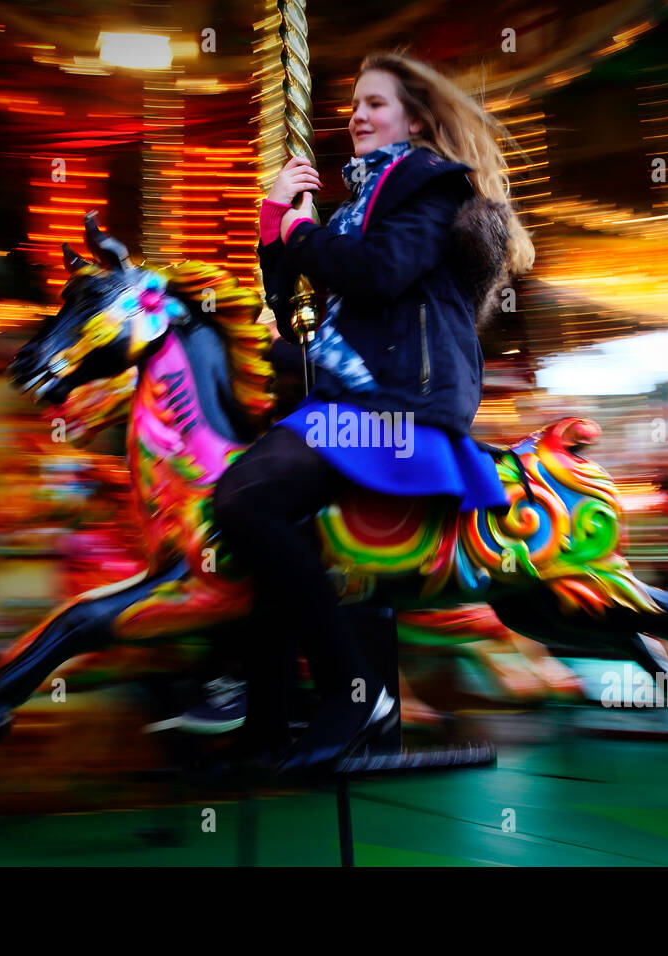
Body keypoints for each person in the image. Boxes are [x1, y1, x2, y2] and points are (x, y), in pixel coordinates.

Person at [212, 50, 535, 773]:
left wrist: (299, 234)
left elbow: (379, 273)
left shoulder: (429, 184)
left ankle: (353, 694)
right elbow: (300, 306)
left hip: (400, 402)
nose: (357, 114)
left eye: (375, 103)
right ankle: (265, 722)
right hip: (354, 398)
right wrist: (276, 231)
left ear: (415, 119)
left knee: (244, 497)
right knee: (255, 519)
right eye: (354, 104)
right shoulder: (362, 201)